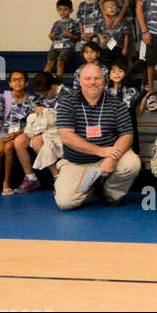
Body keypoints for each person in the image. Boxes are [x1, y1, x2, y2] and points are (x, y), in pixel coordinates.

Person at [54, 64, 141, 210]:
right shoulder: (67, 103)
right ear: (80, 81)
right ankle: (92, 189)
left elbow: (127, 135)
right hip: (77, 162)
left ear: (104, 81)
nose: (92, 82)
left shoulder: (117, 104)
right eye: (87, 78)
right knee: (65, 203)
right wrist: (100, 151)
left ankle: (110, 191)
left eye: (97, 78)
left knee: (132, 164)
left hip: (108, 158)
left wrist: (111, 158)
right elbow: (66, 136)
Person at [0, 71, 34, 195]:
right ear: (10, 83)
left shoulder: (32, 100)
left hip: (21, 132)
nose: (18, 82)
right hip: (5, 132)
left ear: (26, 83)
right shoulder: (4, 98)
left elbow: (32, 124)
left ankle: (6, 183)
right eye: (14, 80)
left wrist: (16, 134)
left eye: (21, 79)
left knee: (9, 148)